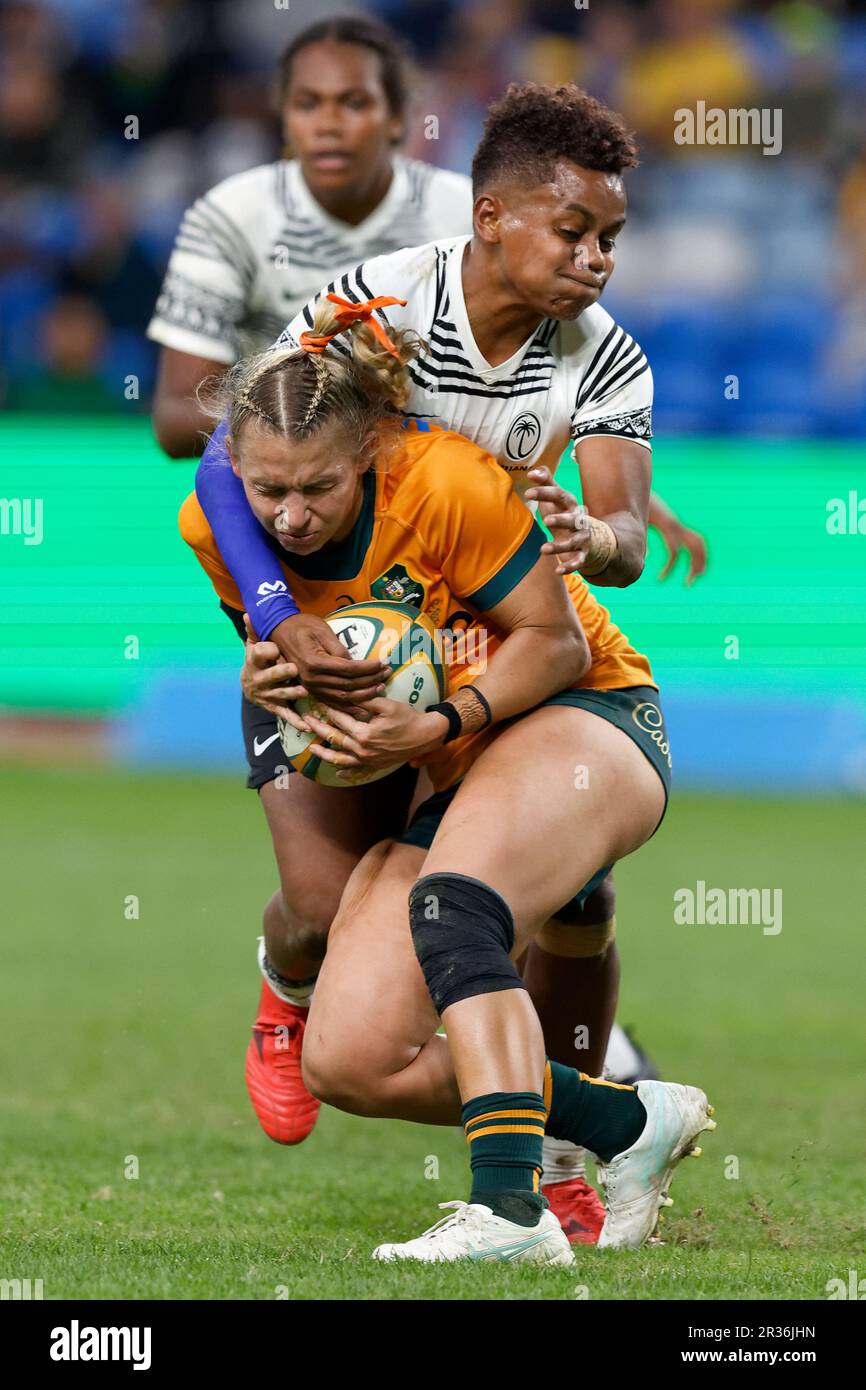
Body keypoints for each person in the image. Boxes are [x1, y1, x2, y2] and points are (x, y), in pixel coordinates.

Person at [187, 81, 699, 1226]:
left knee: (543, 904)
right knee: (326, 911)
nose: (595, 259)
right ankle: (289, 989)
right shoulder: (377, 305)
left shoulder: (604, 361)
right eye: (571, 231)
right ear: (488, 220)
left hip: (495, 647)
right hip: (339, 631)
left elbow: (618, 533)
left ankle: (556, 1172)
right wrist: (276, 624)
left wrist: (592, 533)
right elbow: (232, 463)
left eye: (610, 237)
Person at [147, 15, 472, 459]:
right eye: (307, 103)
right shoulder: (227, 217)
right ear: (284, 120)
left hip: (430, 484)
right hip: (280, 493)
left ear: (397, 119)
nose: (328, 123)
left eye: (354, 103)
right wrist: (329, 415)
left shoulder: (467, 216)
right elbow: (177, 418)